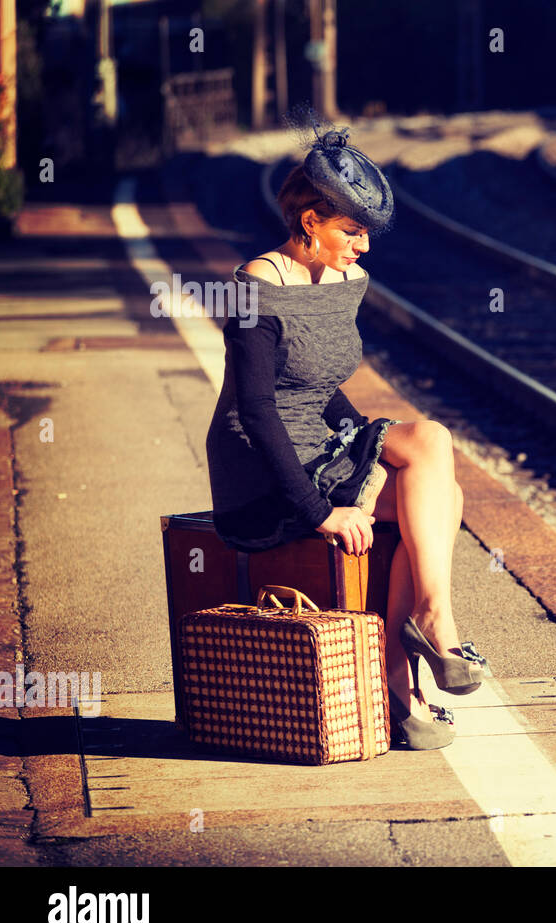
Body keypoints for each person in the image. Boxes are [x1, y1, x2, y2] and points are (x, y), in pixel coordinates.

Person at [205, 122, 487, 751]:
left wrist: (366, 439)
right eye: (351, 232)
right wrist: (321, 513)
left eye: (366, 233)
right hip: (261, 467)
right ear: (310, 221)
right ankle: (411, 651)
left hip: (319, 445)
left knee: (432, 466)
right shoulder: (256, 287)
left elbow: (320, 384)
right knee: (436, 478)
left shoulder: (341, 281)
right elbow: (255, 410)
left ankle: (413, 645)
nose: (363, 246)